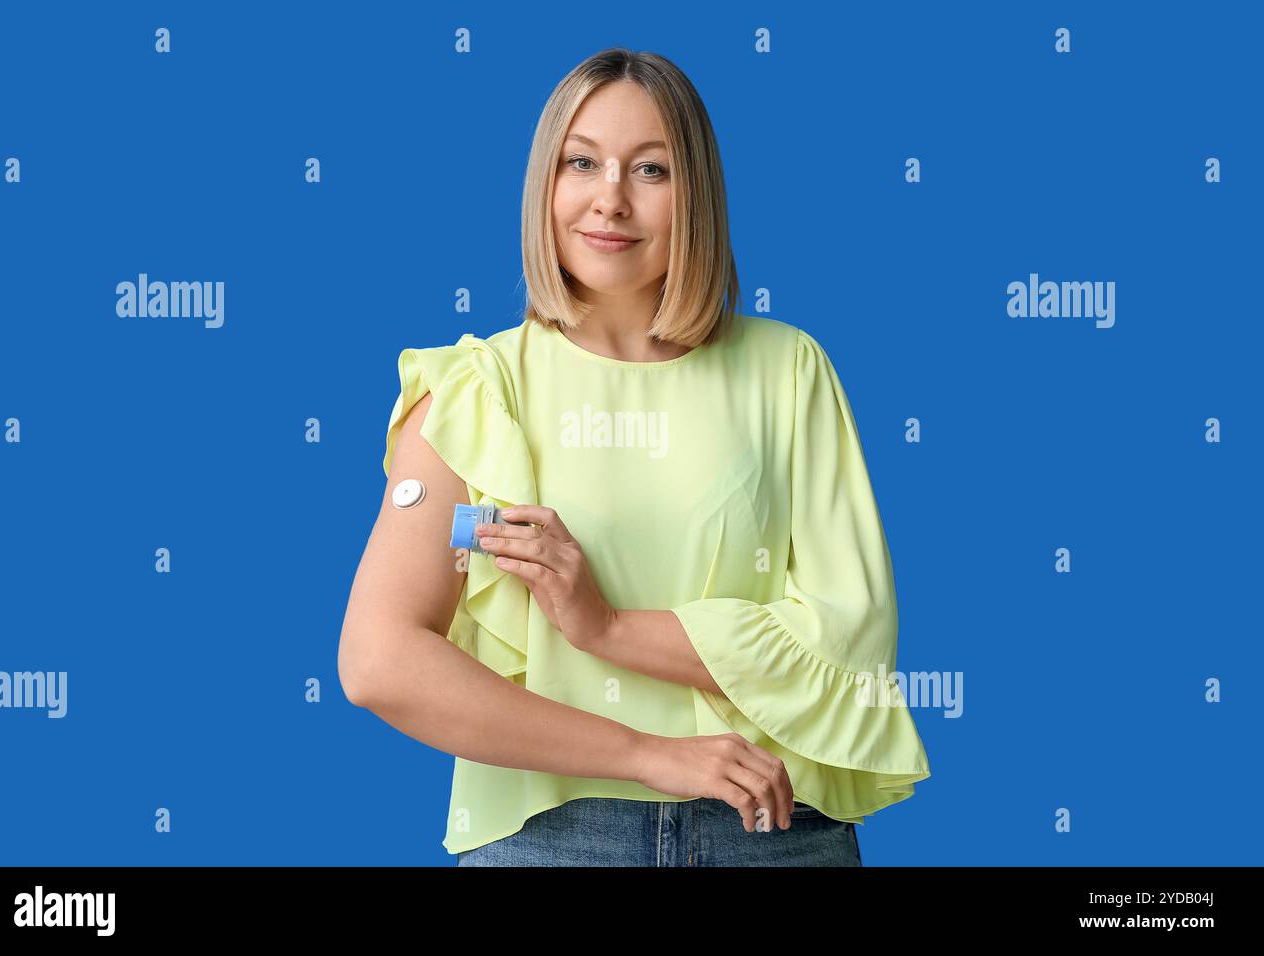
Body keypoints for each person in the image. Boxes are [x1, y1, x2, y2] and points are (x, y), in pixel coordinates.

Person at [337, 47, 930, 867]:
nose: (609, 200)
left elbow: (848, 643)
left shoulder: (789, 371)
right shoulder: (476, 392)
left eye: (650, 170)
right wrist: (648, 752)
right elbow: (380, 660)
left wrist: (606, 627)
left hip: (776, 835)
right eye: (582, 162)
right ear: (546, 184)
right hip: (548, 840)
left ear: (698, 197)